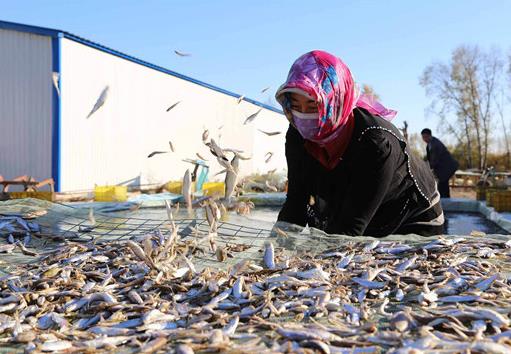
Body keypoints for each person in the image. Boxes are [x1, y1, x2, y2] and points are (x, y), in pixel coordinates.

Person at [273, 50, 444, 237]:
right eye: (296, 106)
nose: (305, 116)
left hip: (410, 218)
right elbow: (296, 203)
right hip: (355, 213)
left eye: (314, 106)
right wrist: (271, 250)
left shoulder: (375, 142)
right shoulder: (298, 133)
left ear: (335, 101)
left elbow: (349, 230)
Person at [420, 128, 459, 198]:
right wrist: (422, 164)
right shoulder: (429, 145)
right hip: (443, 168)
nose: (424, 139)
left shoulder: (435, 144)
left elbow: (434, 160)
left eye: (425, 137)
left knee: (442, 186)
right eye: (423, 137)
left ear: (429, 136)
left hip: (448, 167)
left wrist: (427, 168)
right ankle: (446, 201)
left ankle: (444, 203)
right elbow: (428, 158)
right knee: (443, 186)